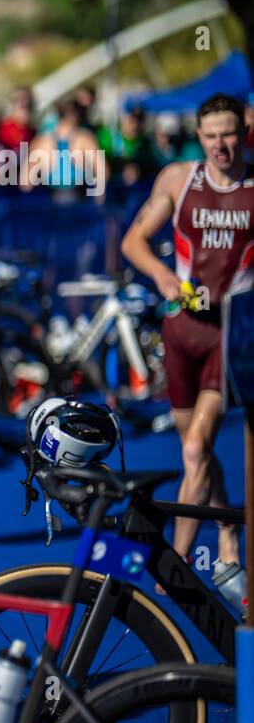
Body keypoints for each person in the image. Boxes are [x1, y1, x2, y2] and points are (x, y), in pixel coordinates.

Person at [120, 92, 251, 614]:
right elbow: (133, 241)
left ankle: (176, 562)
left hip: (230, 337)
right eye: (211, 135)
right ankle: (229, 533)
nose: (221, 144)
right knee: (194, 448)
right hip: (181, 332)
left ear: (244, 133)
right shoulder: (179, 179)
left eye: (229, 134)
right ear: (199, 137)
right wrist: (161, 275)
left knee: (196, 449)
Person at [24, 99, 101, 203]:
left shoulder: (41, 142)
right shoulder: (85, 139)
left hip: (50, 202)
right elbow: (103, 173)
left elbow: (26, 184)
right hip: (80, 201)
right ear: (75, 116)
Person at [0, 87, 35, 153]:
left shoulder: (33, 132)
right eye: (18, 100)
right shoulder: (3, 129)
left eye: (27, 107)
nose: (23, 103)